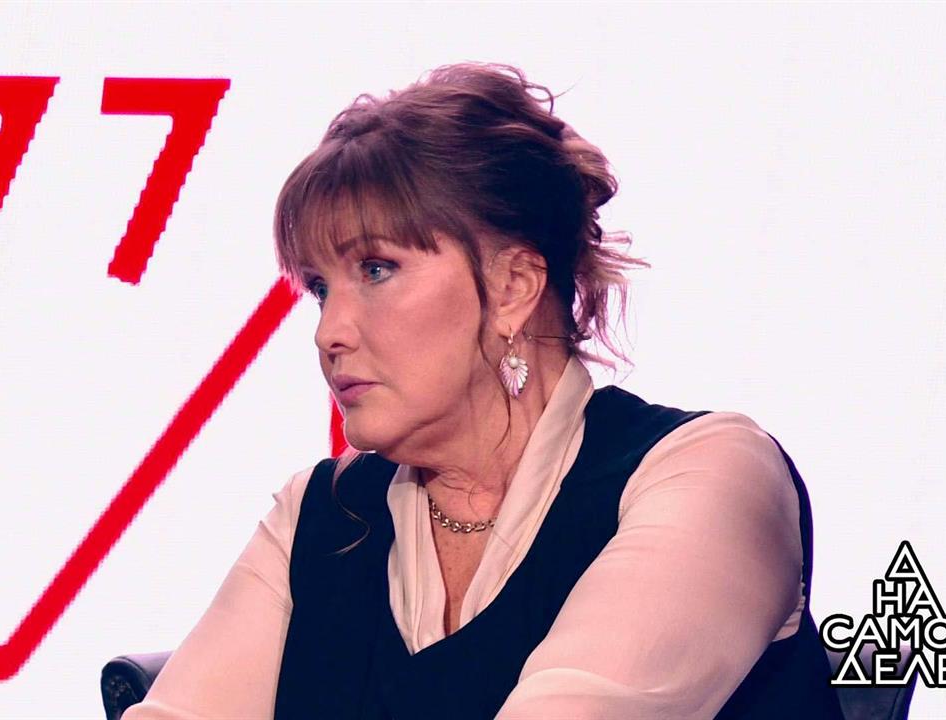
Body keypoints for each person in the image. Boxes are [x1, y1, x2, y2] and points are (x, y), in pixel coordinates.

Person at [122, 62, 845, 720]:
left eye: (376, 270)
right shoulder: (319, 516)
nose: (329, 332)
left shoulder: (707, 472)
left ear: (513, 287)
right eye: (319, 288)